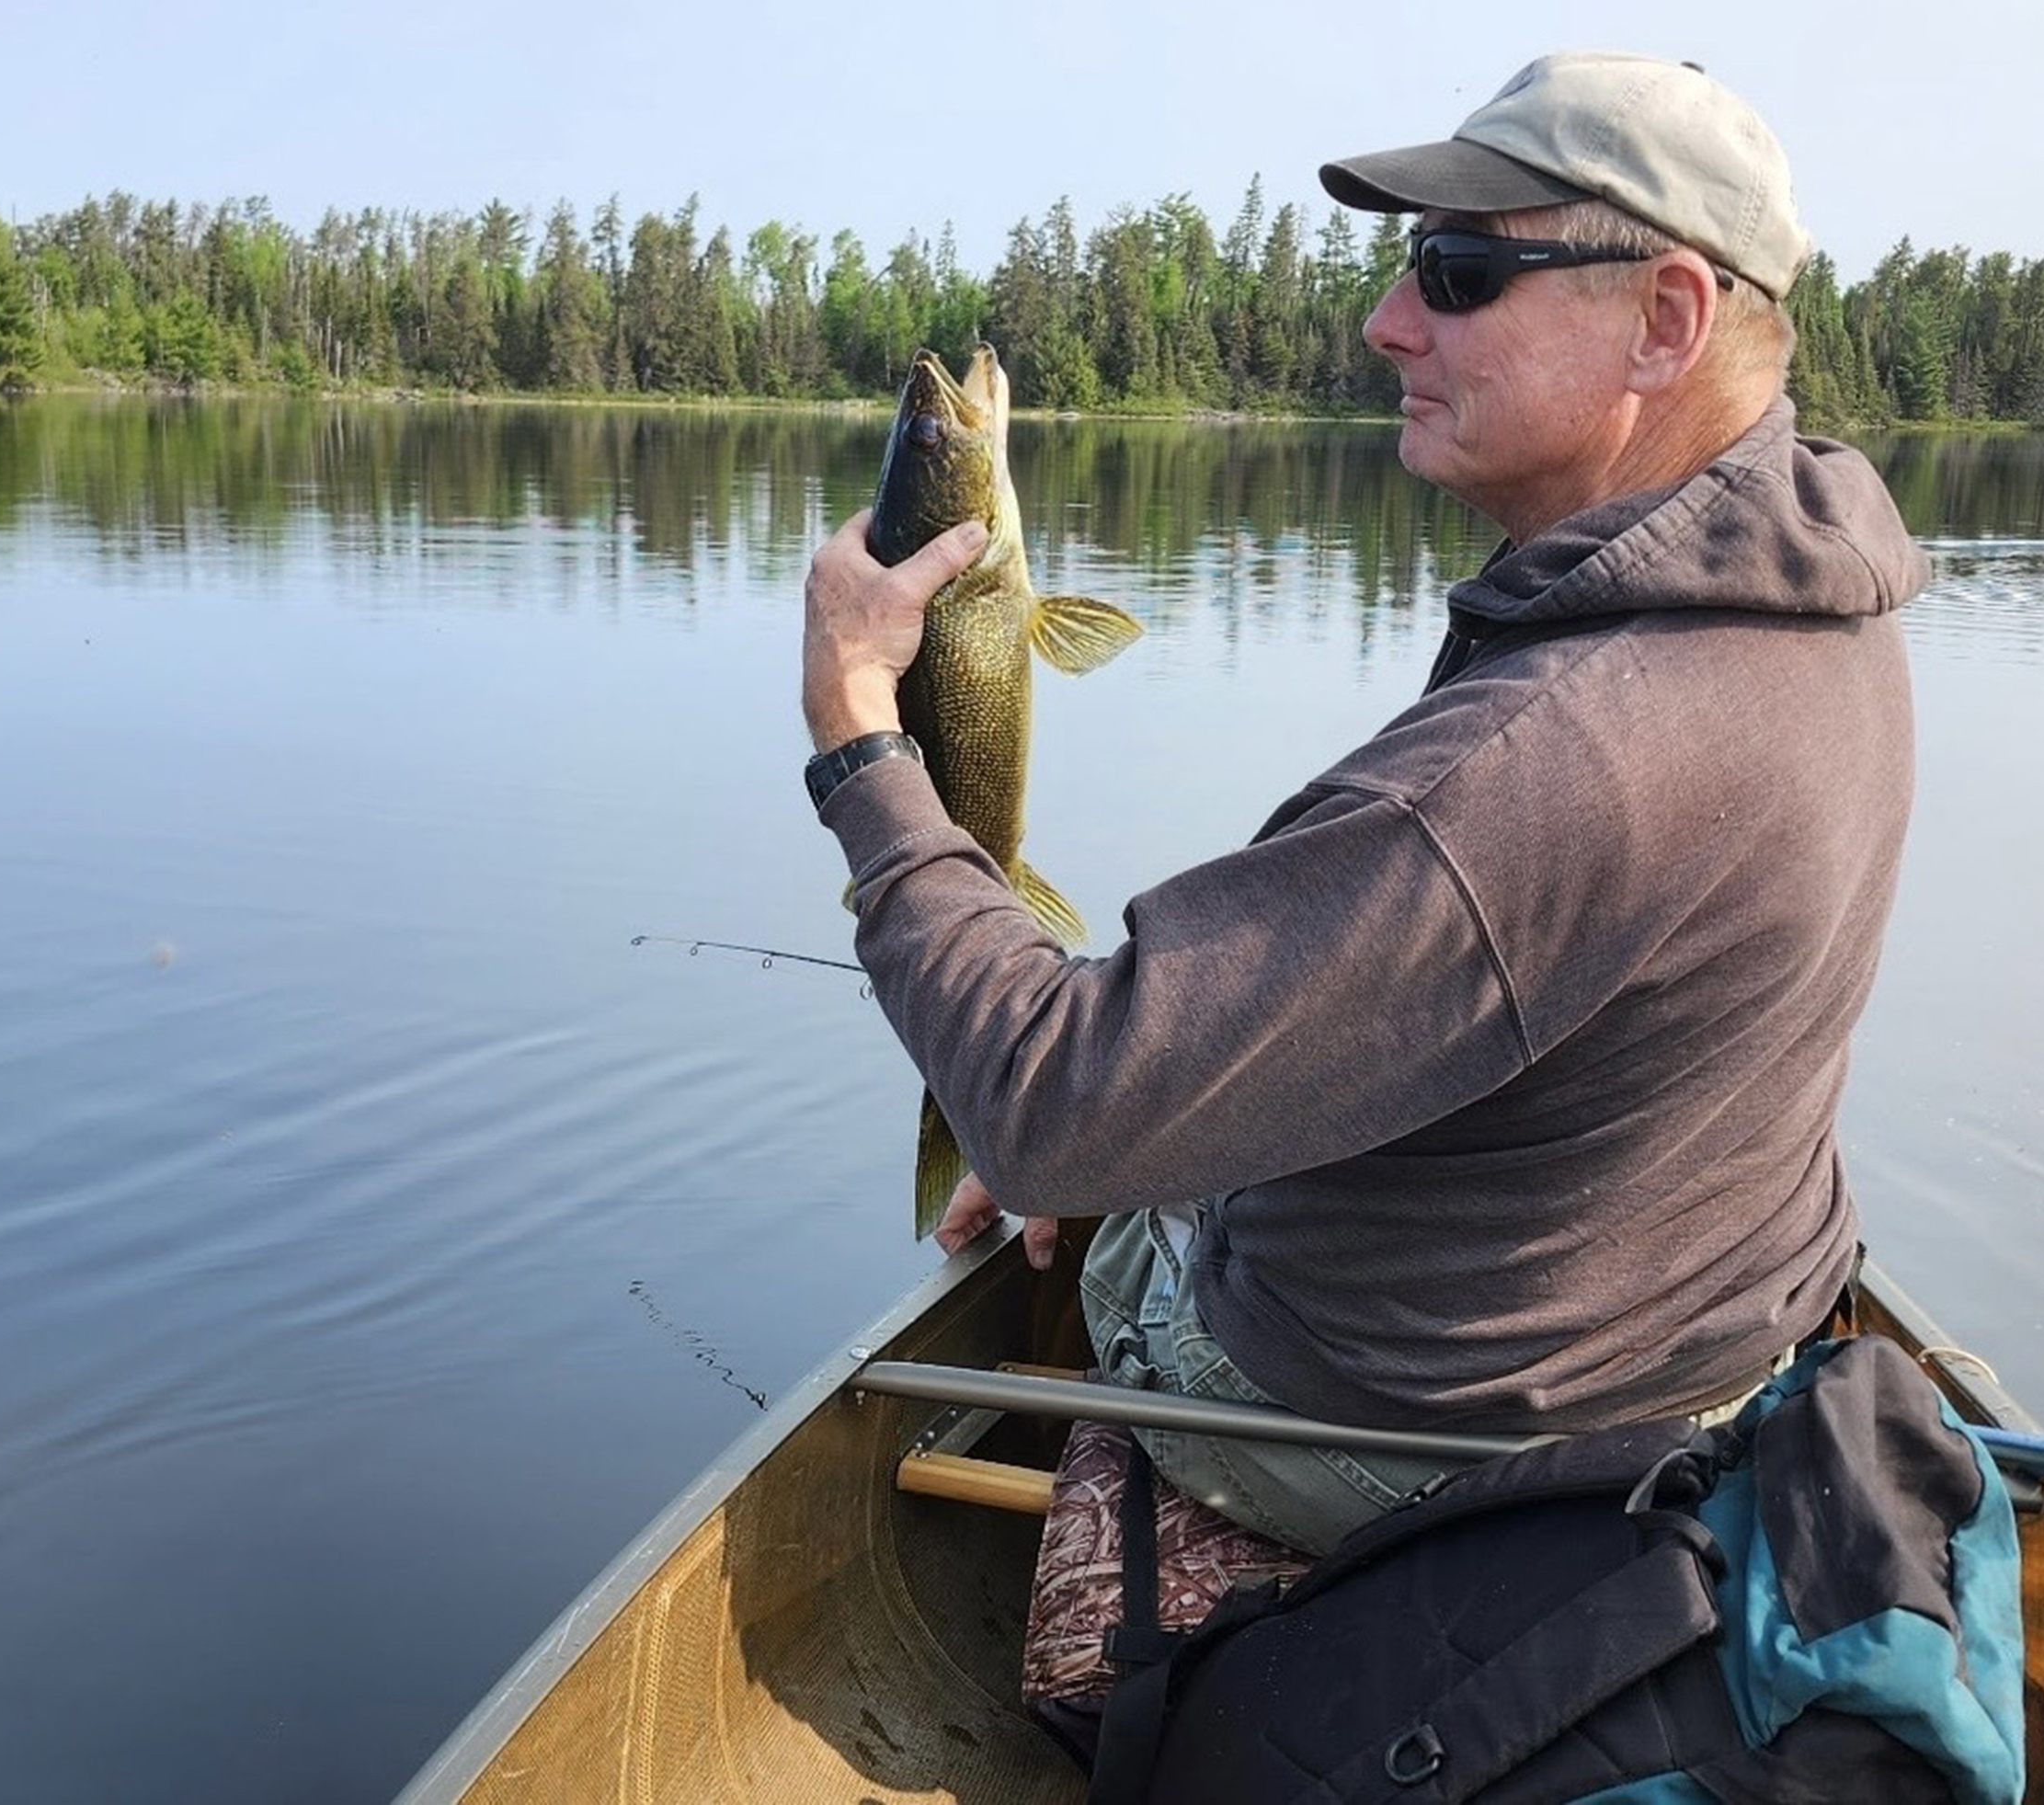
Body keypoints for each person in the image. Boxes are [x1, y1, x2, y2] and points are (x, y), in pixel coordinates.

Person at [797, 50, 1929, 1558]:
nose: (1388, 321)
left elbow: (1053, 1102)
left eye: (1459, 273)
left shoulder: (1556, 760)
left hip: (1423, 1441)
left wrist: (864, 734)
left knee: (1090, 1162)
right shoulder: (1817, 609)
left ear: (1668, 320)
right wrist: (1136, 1108)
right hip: (1697, 1349)